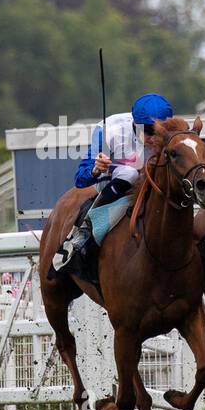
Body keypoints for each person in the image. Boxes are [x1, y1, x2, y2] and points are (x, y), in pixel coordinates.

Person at [49, 92, 173, 275]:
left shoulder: (171, 135)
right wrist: (96, 168)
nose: (153, 138)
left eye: (158, 132)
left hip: (151, 183)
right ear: (135, 124)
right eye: (147, 131)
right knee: (130, 173)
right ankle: (85, 230)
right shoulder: (109, 132)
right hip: (115, 181)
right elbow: (80, 179)